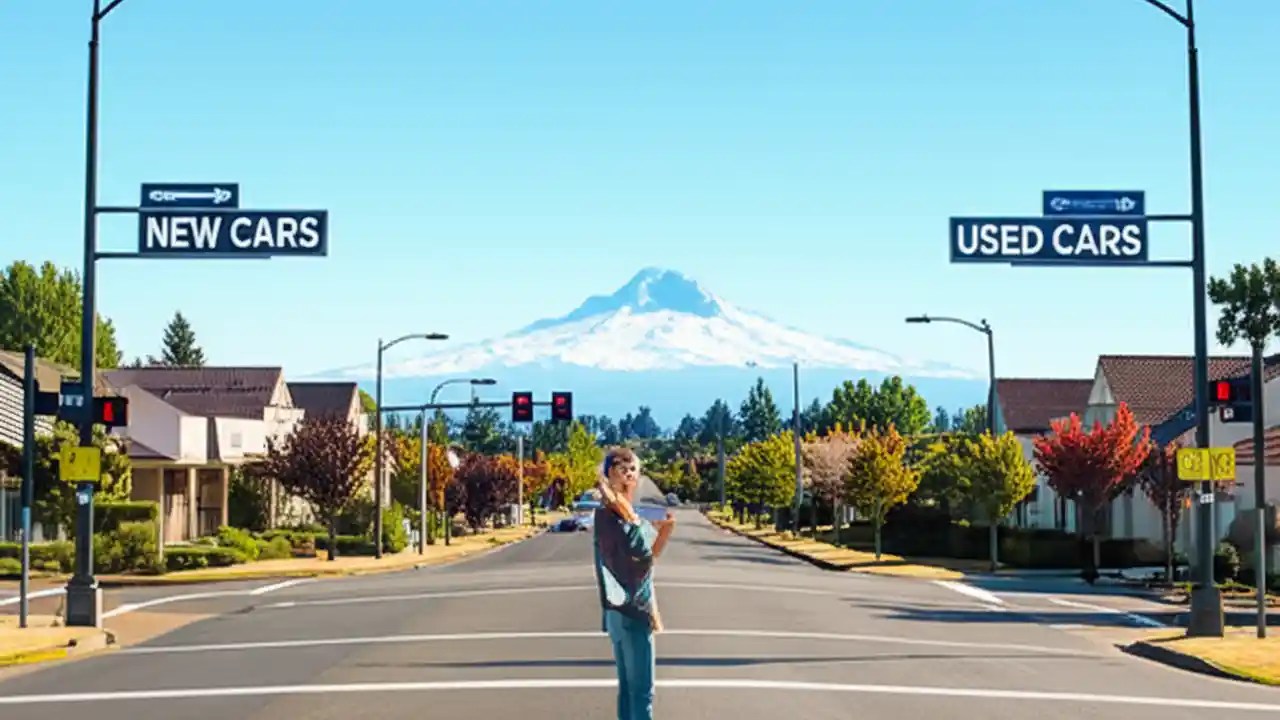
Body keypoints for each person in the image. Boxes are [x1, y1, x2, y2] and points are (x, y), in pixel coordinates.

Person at [592, 447, 676, 720]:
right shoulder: (619, 516)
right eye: (623, 469)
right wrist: (663, 532)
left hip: (616, 609)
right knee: (641, 692)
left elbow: (646, 553)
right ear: (611, 475)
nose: (629, 474)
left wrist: (662, 531)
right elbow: (645, 557)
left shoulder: (610, 513)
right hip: (634, 609)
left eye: (633, 469)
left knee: (628, 689)